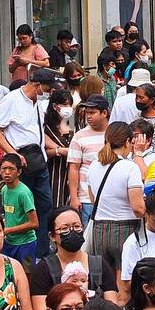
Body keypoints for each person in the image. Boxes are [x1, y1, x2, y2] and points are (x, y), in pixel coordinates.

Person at [0, 67, 59, 258]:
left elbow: (39, 130)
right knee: (22, 208)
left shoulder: (38, 101)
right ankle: (20, 251)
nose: (49, 92)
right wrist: (13, 154)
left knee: (45, 205)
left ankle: (42, 250)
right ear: (37, 85)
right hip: (21, 159)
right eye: (47, 88)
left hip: (40, 160)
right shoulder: (12, 100)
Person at [85, 121, 146, 260]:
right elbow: (138, 209)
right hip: (125, 228)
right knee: (123, 277)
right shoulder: (130, 167)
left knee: (104, 277)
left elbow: (94, 201)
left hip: (99, 229)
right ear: (127, 141)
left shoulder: (94, 166)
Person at [66, 94, 111, 226]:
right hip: (86, 199)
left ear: (104, 113)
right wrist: (74, 197)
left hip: (110, 198)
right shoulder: (79, 136)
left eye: (92, 113)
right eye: (87, 113)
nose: (89, 116)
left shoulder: (114, 134)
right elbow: (73, 168)